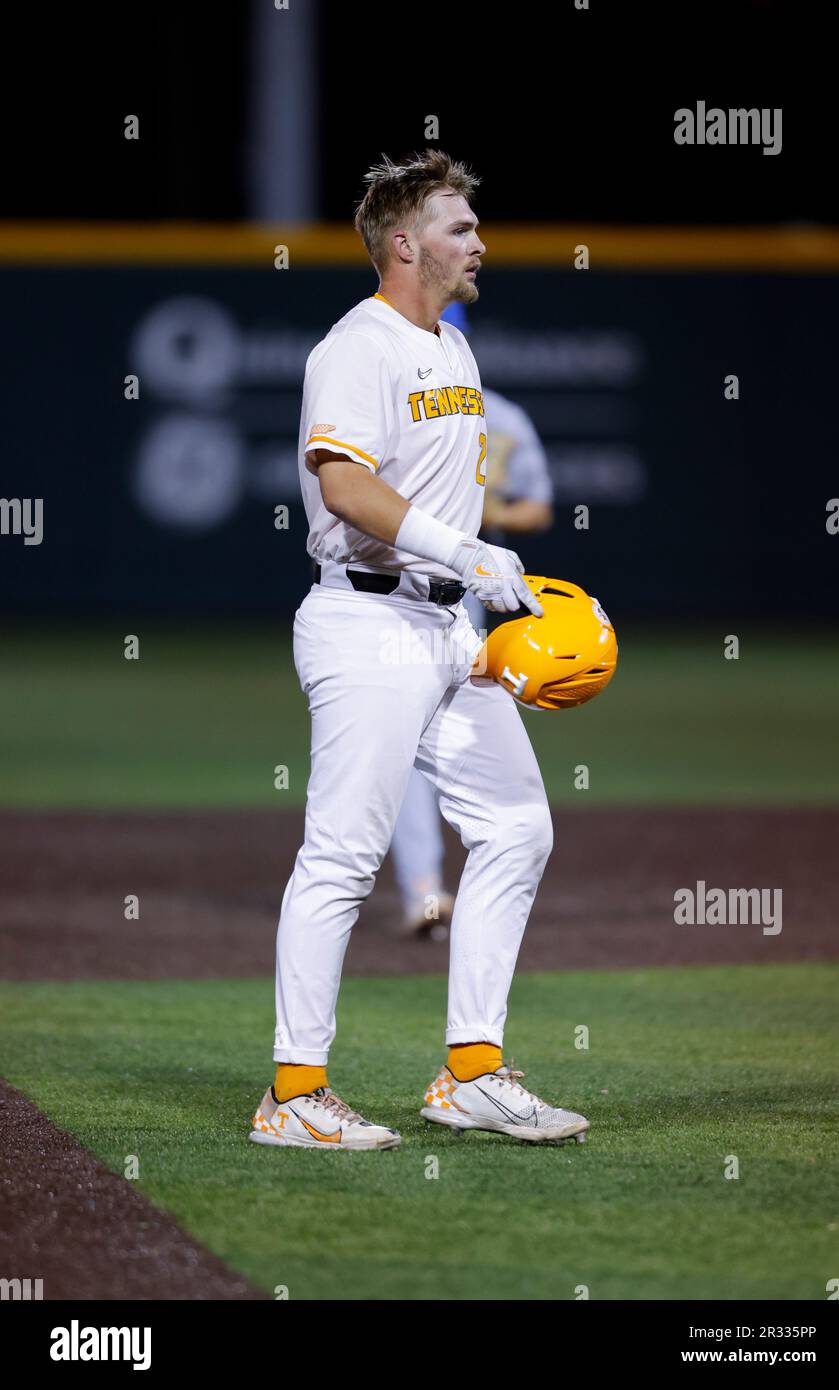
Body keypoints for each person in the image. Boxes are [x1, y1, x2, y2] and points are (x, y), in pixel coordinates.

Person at [249, 150, 589, 1150]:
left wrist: (488, 584)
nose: (477, 242)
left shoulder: (451, 347)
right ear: (402, 244)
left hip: (449, 628)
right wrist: (465, 550)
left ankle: (471, 1073)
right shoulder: (358, 345)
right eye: (458, 227)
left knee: (518, 827)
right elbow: (345, 487)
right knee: (343, 855)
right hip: (367, 622)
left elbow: (443, 500)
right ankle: (293, 1093)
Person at [389, 300, 555, 938]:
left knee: (468, 740)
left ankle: (478, 876)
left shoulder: (501, 415)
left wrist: (483, 519)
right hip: (389, 595)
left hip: (467, 597)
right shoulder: (388, 394)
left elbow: (536, 507)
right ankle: (424, 889)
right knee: (404, 746)